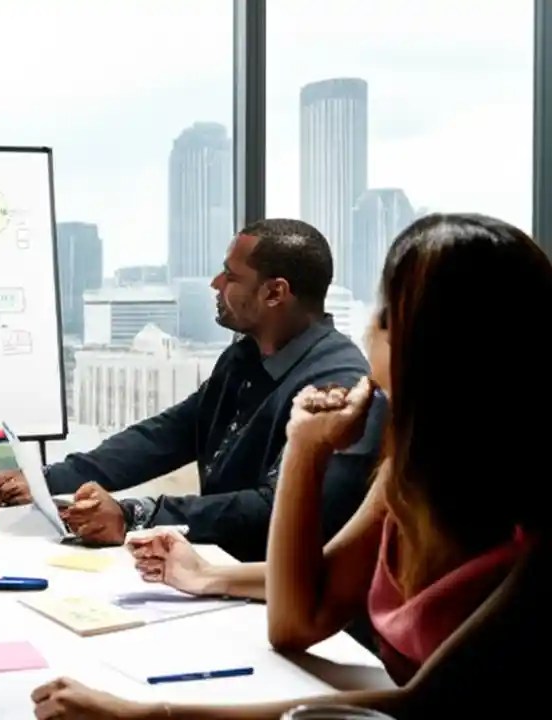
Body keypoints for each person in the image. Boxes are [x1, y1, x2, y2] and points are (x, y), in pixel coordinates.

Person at [32, 213, 549, 719]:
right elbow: (298, 617)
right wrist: (304, 448)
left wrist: (146, 715)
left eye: (388, 315)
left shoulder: (339, 380)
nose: (369, 328)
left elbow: (422, 706)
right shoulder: (408, 475)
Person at [0, 219, 384, 560]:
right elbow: (169, 434)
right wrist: (52, 478)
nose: (216, 282)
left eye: (231, 275)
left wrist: (135, 516)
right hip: (214, 571)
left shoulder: (338, 387)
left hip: (275, 595)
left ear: (275, 293)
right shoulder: (245, 357)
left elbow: (276, 507)